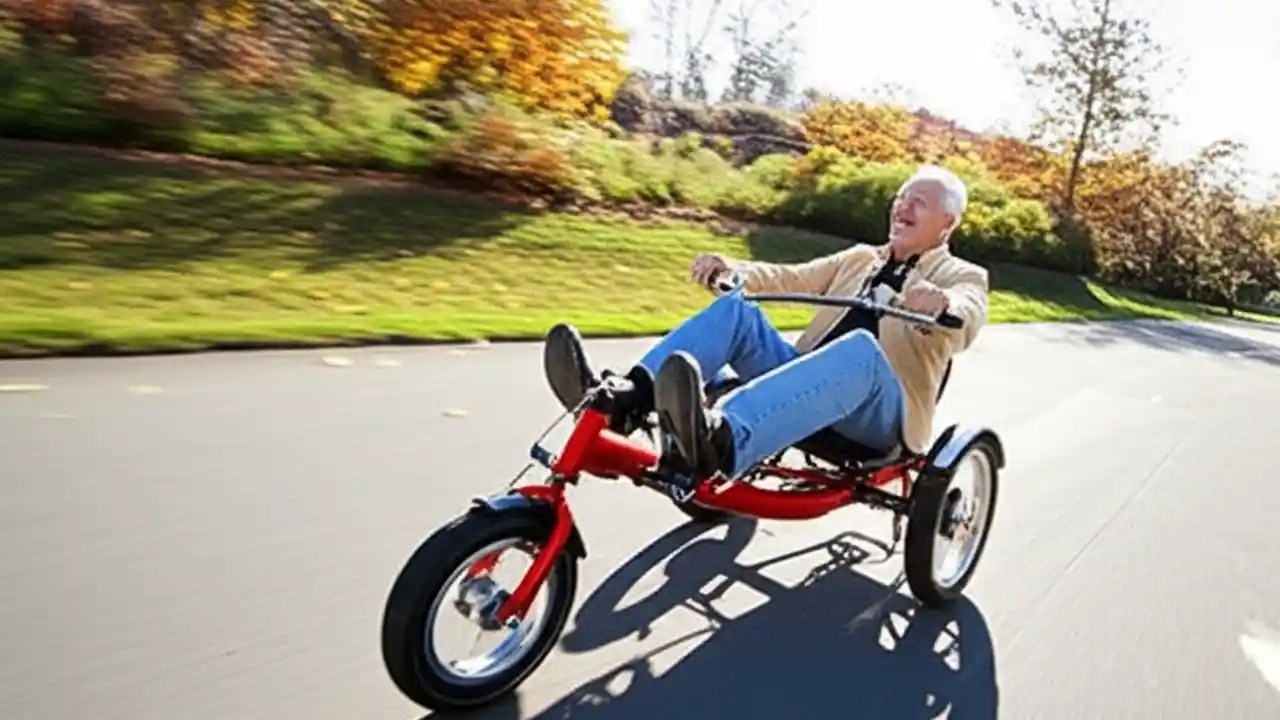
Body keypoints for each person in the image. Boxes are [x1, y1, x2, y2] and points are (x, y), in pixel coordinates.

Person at [543, 164, 990, 480]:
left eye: (919, 202)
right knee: (739, 309)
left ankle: (723, 437)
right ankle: (624, 398)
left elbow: (969, 309)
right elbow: (788, 276)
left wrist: (942, 303)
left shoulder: (959, 275)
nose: (902, 206)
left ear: (946, 223)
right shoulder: (859, 258)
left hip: (878, 419)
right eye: (900, 198)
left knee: (860, 349)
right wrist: (730, 271)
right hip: (807, 387)